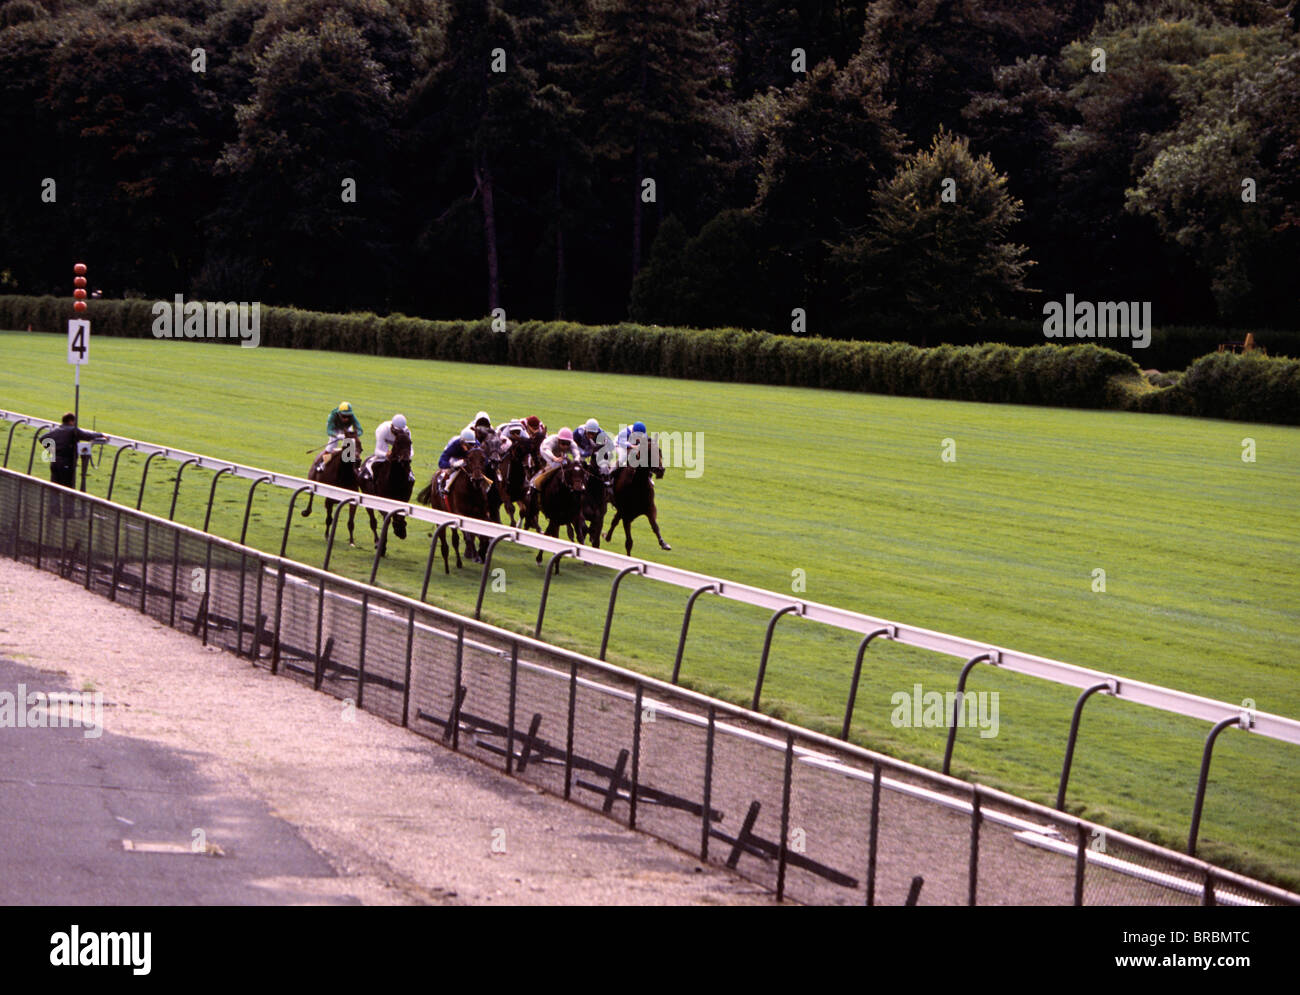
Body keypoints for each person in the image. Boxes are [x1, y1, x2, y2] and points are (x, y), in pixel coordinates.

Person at [42, 413, 106, 515]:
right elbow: (87, 436)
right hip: (67, 464)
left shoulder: (56, 430)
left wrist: (53, 450)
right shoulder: (72, 430)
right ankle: (68, 513)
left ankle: (54, 512)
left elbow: (42, 438)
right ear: (71, 421)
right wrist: (100, 434)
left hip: (54, 462)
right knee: (68, 489)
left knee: (54, 489)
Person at [526, 427, 578, 496]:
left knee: (567, 464)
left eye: (567, 444)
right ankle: (533, 482)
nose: (565, 446)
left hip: (558, 453)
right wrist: (554, 458)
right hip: (545, 451)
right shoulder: (551, 441)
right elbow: (547, 450)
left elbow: (577, 455)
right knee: (555, 464)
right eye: (563, 443)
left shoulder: (573, 444)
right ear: (558, 440)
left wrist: (577, 461)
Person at [436, 428, 479, 497]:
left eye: (472, 445)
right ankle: (443, 485)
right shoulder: (454, 445)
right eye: (468, 445)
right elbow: (441, 462)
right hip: (455, 457)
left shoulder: (476, 444)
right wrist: (452, 465)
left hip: (468, 458)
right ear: (462, 443)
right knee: (451, 471)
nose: (471, 447)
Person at [323, 401, 363, 467]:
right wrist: (338, 436)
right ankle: (324, 463)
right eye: (344, 416)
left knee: (351, 443)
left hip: (346, 428)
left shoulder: (352, 417)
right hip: (335, 427)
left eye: (348, 416)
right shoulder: (333, 416)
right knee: (332, 444)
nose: (346, 419)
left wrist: (354, 435)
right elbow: (329, 431)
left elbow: (360, 430)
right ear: (339, 414)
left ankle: (354, 466)